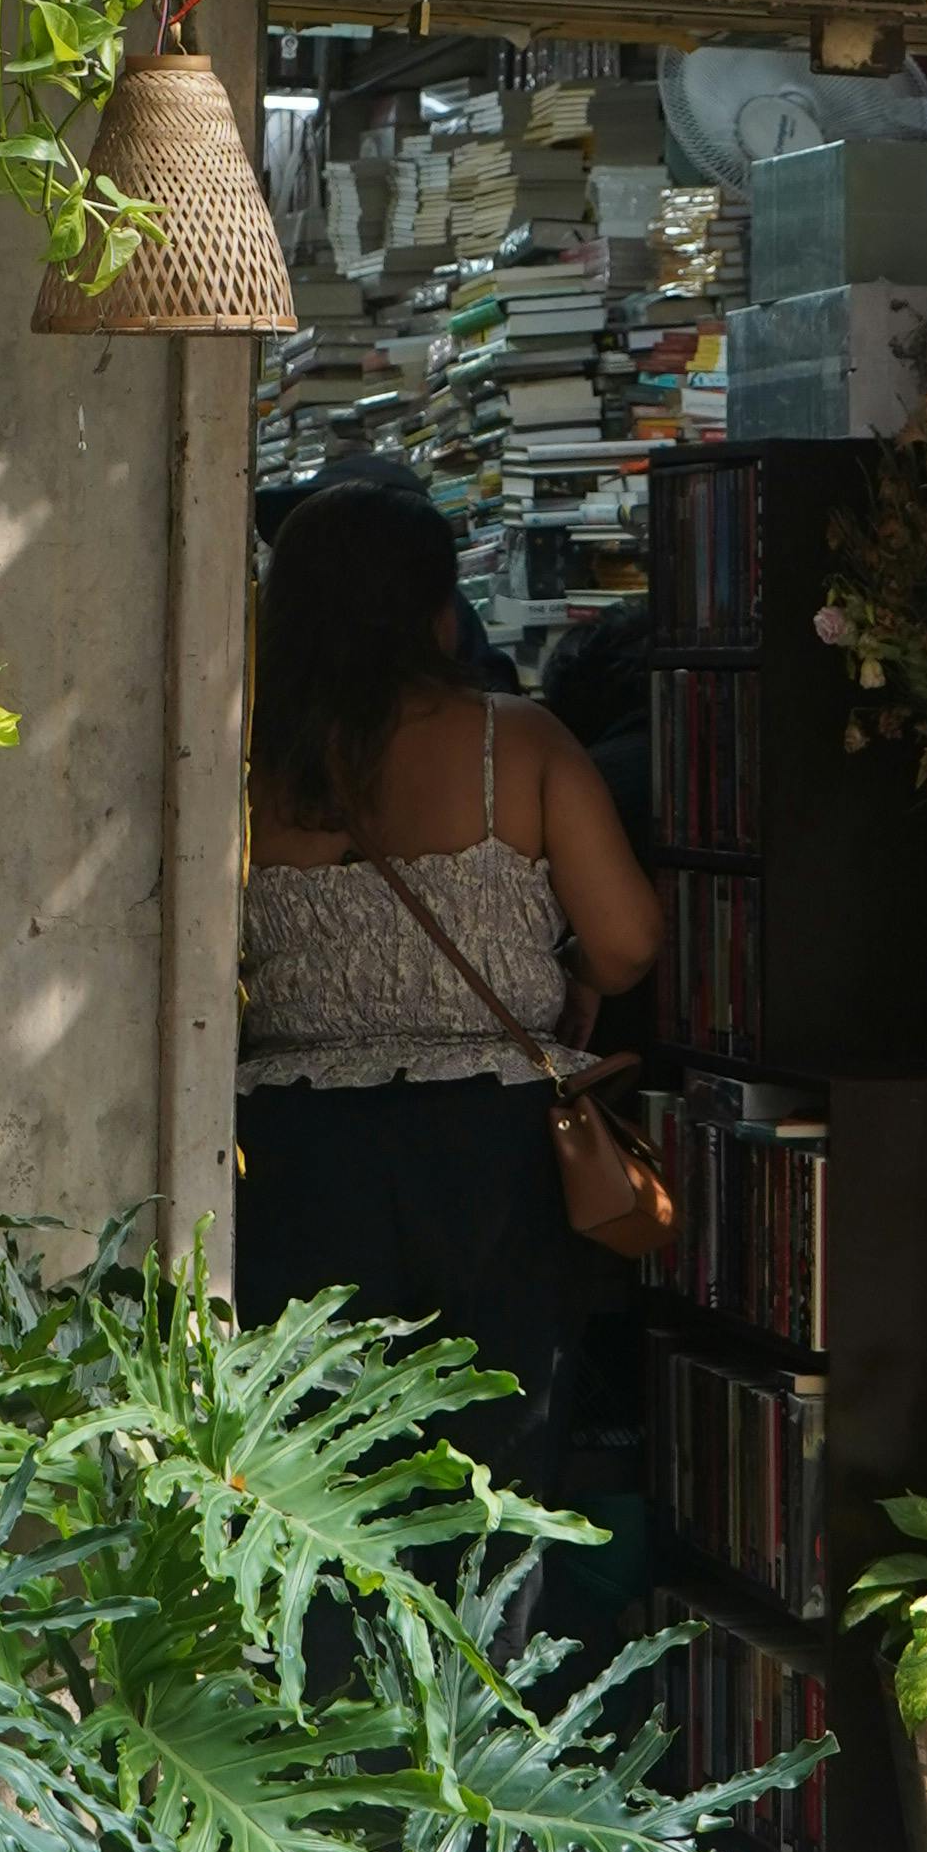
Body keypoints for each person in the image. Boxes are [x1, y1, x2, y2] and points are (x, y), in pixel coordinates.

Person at [239, 484, 665, 1498]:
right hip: (491, 1154)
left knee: (321, 1470)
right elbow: (628, 942)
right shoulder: (517, 742)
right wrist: (574, 977)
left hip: (295, 1155)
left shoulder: (244, 763)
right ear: (439, 610)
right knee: (491, 1479)